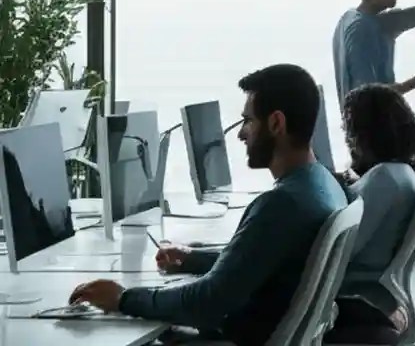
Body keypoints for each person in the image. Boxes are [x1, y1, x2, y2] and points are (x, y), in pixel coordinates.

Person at [68, 64, 348, 346]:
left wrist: (123, 298)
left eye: (248, 121)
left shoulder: (282, 204)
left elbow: (207, 302)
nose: (241, 134)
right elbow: (256, 264)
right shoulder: (323, 184)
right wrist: (193, 258)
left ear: (276, 123)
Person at [326, 83, 415, 345]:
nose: (347, 135)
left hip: (359, 291)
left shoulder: (384, 179)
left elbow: (342, 251)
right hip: (386, 289)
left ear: (365, 132)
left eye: (350, 128)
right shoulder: (401, 172)